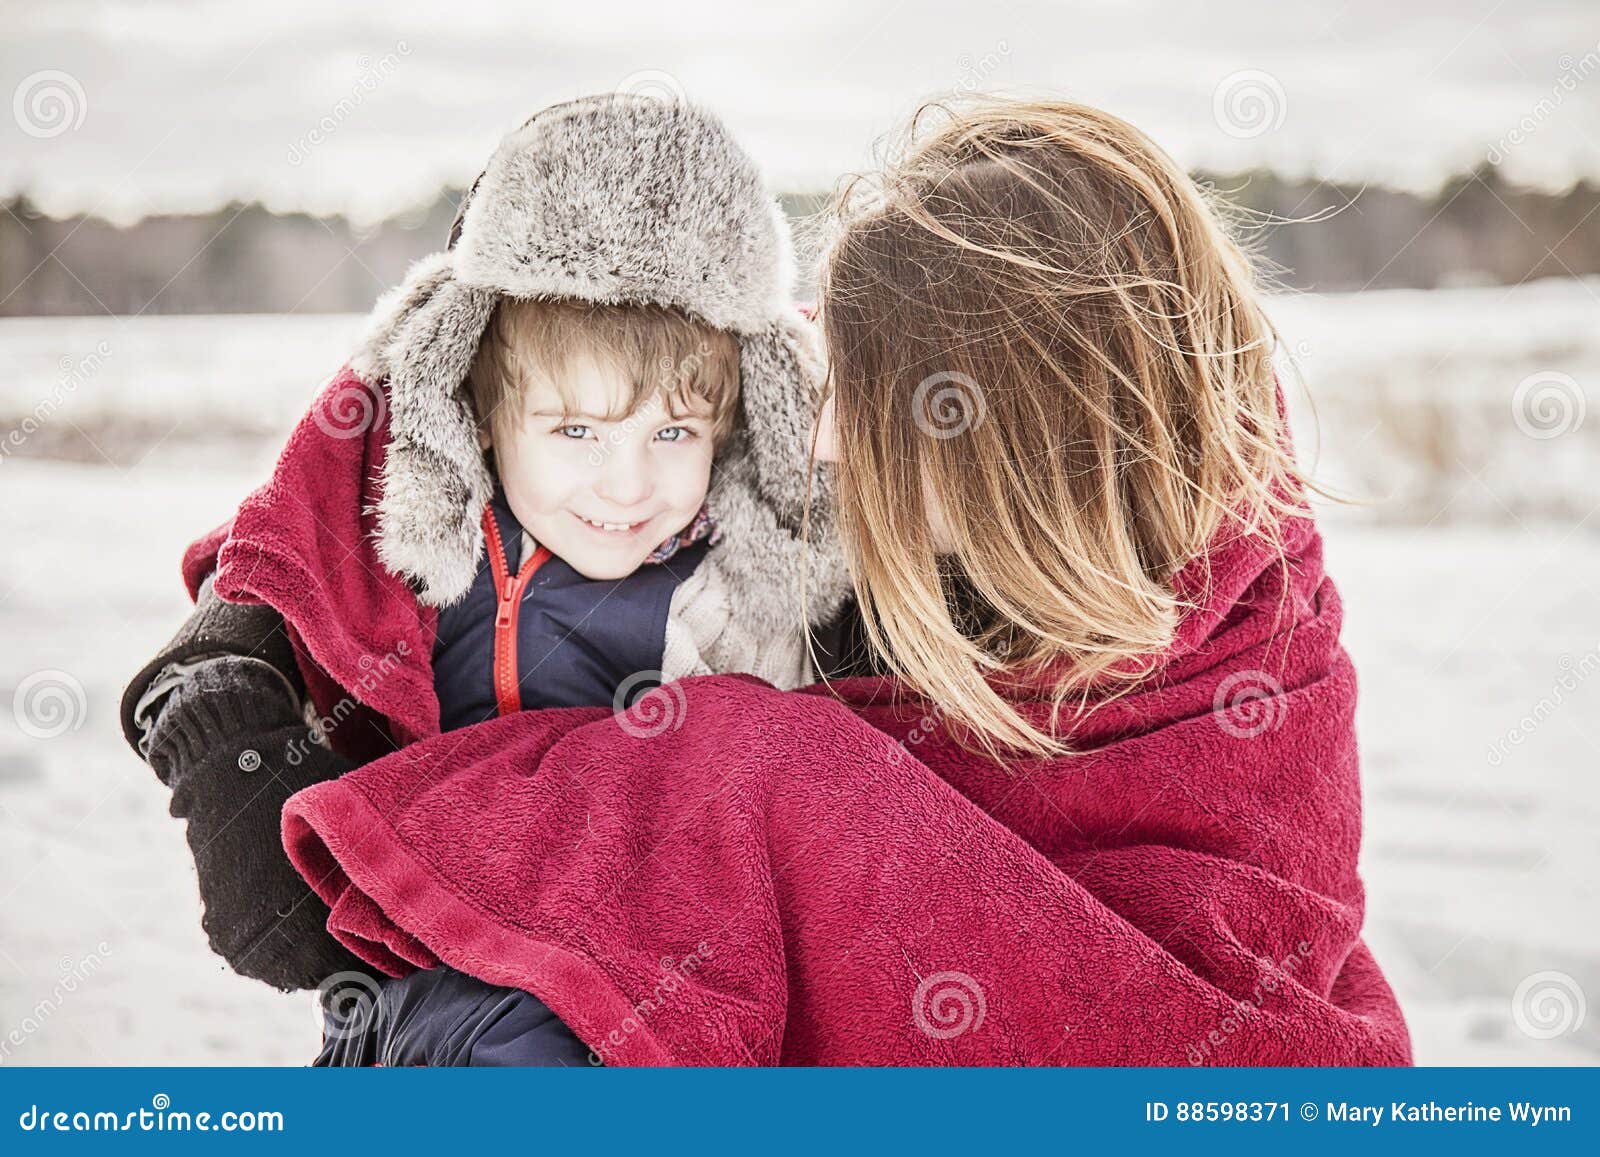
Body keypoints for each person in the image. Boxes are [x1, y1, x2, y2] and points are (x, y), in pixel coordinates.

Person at [118, 94, 855, 1065]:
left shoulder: (761, 561)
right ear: (477, 401)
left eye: (672, 431)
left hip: (672, 981)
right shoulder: (390, 508)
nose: (627, 487)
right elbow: (229, 629)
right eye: (576, 431)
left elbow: (899, 695)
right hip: (435, 985)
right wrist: (233, 751)